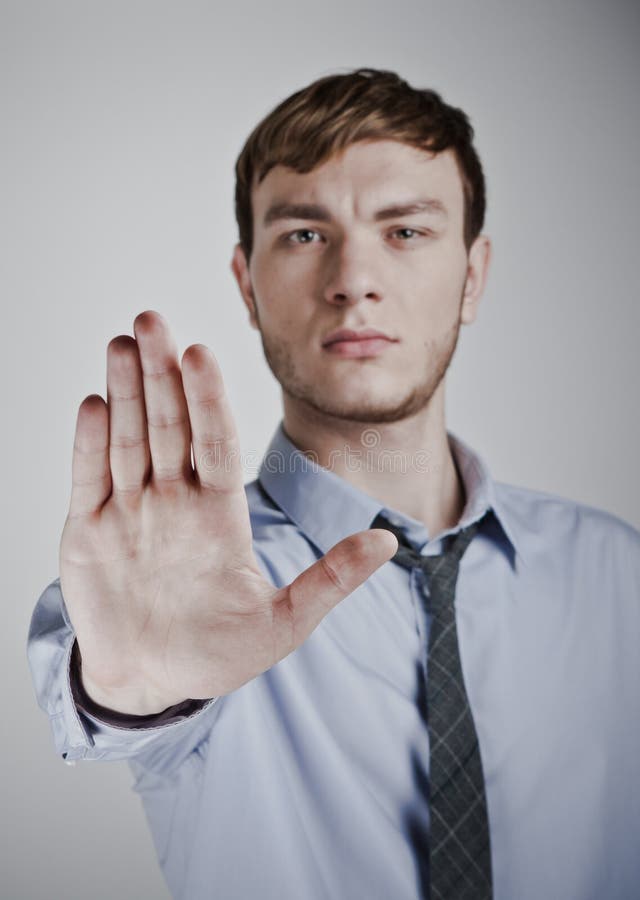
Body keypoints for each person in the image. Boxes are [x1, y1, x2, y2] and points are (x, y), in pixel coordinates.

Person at [28, 68, 639, 900]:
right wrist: (134, 695)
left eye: (407, 231)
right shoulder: (182, 584)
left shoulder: (617, 574)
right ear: (247, 283)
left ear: (474, 274)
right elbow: (107, 700)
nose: (355, 278)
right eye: (305, 234)